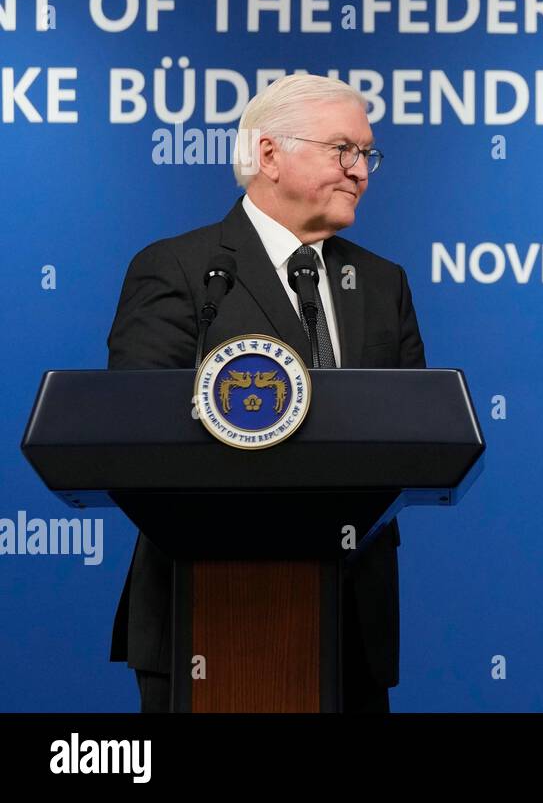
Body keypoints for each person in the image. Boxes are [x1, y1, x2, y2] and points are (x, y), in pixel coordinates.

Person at [106, 73, 425, 712]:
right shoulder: (179, 270)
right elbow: (132, 433)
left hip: (350, 629)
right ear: (270, 154)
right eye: (344, 150)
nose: (362, 171)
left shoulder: (382, 282)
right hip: (206, 608)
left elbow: (417, 435)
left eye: (368, 154)